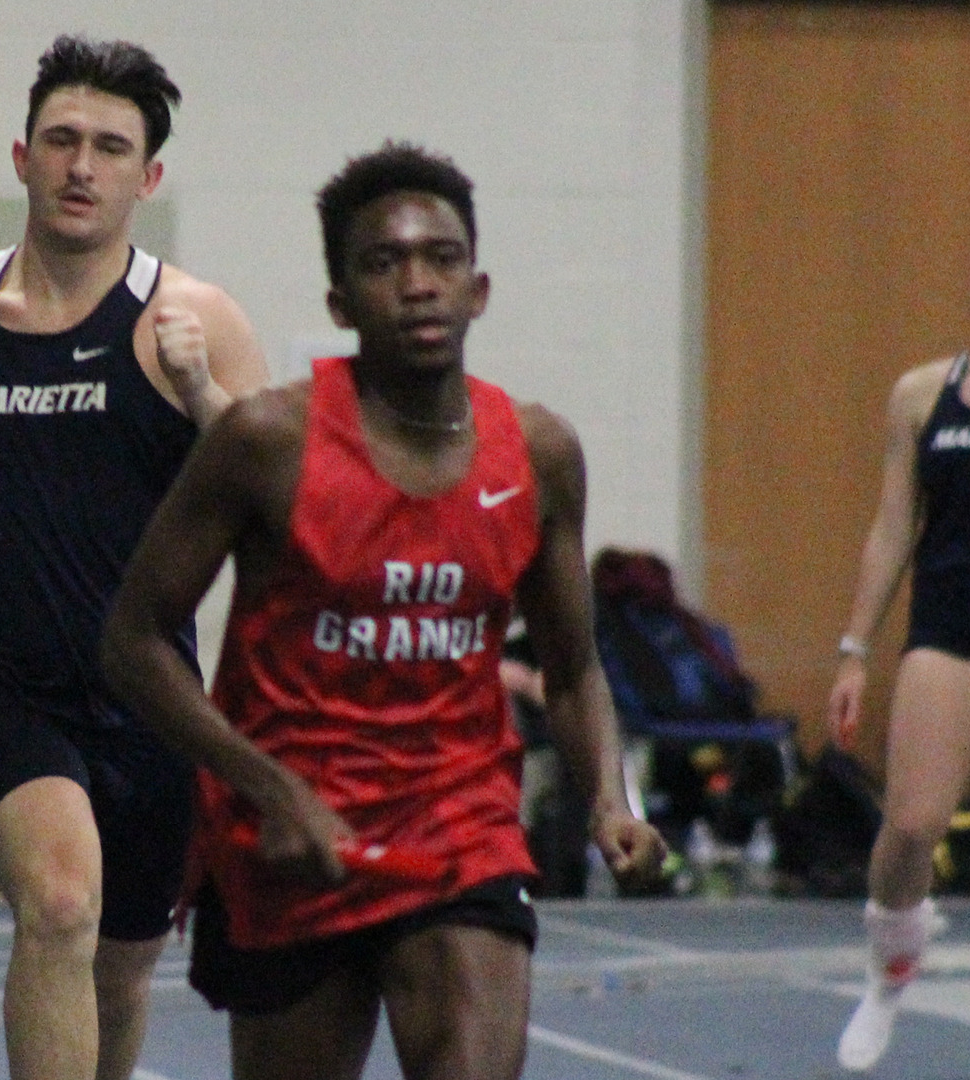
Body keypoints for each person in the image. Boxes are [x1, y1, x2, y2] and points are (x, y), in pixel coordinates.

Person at [101, 141, 666, 1080]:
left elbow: (571, 668)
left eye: (440, 260)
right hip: (294, 835)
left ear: (477, 288)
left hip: (461, 825)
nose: (417, 285)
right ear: (339, 305)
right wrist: (268, 785)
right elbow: (134, 641)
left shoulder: (539, 453)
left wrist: (610, 799)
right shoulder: (265, 443)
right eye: (384, 263)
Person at [0, 34, 268, 1080]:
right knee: (62, 903)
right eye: (61, 140)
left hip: (148, 704)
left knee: (120, 971)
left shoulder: (191, 319)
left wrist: (204, 397)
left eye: (110, 147)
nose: (82, 166)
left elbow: (284, 502)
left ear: (147, 177)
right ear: (20, 157)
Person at [829, 208, 970, 1076]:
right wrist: (853, 650)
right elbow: (891, 529)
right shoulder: (922, 395)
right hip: (949, 625)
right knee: (911, 825)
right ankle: (889, 971)